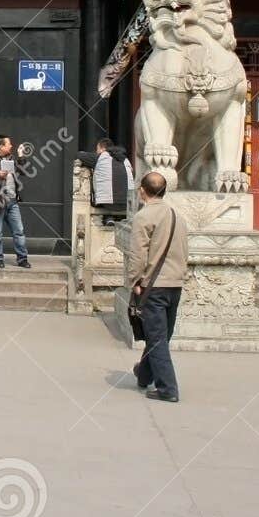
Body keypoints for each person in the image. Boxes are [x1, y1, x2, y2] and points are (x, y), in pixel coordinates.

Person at [125, 171, 188, 403]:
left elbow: (138, 254)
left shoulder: (144, 217)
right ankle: (143, 374)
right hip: (175, 283)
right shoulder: (176, 216)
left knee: (157, 338)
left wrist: (135, 281)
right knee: (160, 335)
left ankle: (168, 388)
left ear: (143, 190)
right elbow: (183, 250)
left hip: (154, 286)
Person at [0, 135, 30, 269]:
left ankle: (22, 259)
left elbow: (24, 171)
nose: (11, 146)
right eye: (8, 144)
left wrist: (20, 156)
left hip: (12, 201)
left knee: (19, 231)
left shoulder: (12, 159)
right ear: (1, 146)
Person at [86, 137, 134, 225]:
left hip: (107, 204)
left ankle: (109, 219)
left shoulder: (101, 157)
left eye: (97, 149)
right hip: (127, 203)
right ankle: (112, 219)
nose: (96, 152)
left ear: (102, 149)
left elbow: (78, 155)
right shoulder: (126, 160)